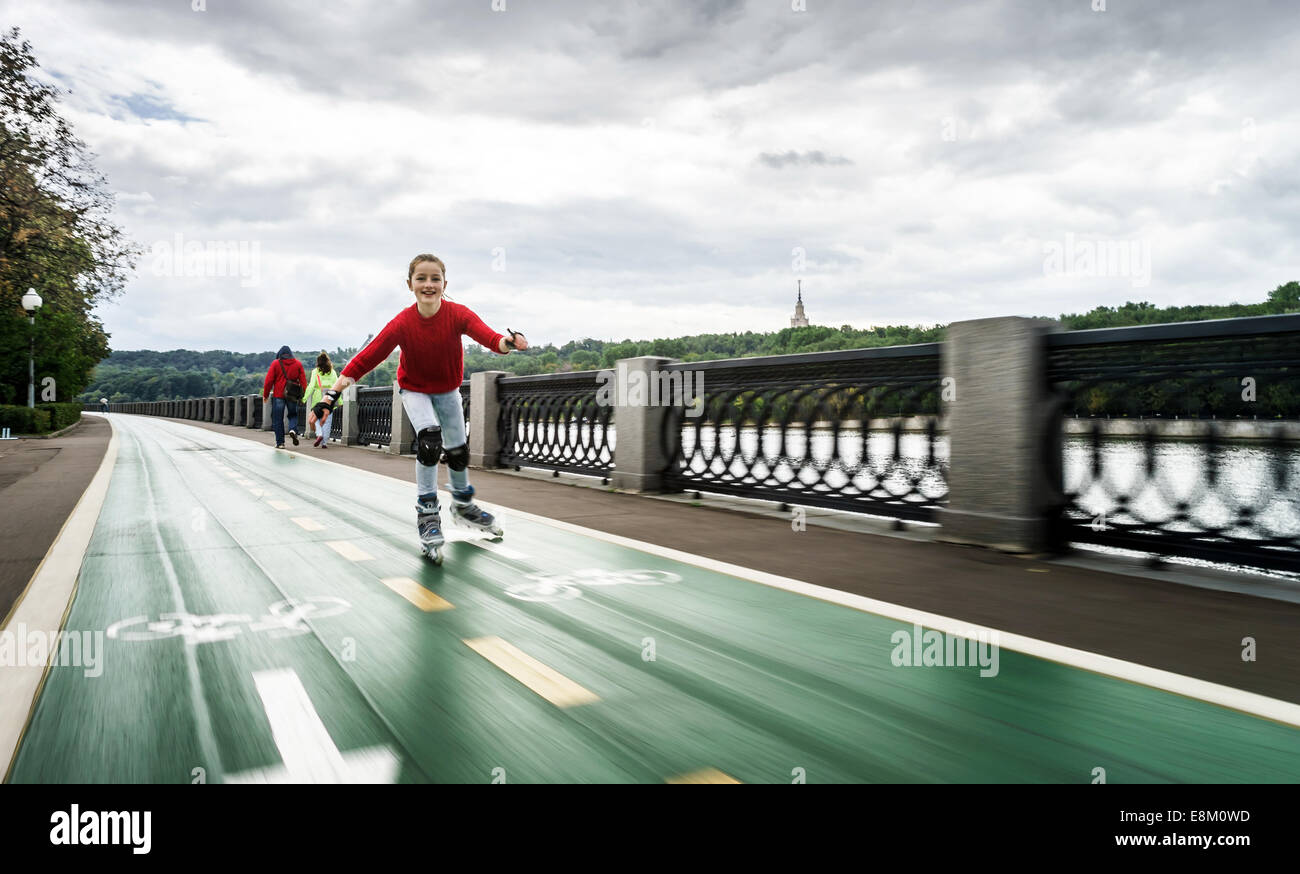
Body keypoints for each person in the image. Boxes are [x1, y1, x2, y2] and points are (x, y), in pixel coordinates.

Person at [308, 253, 527, 564]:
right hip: (414, 389)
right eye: (421, 279)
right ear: (409, 284)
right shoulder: (402, 323)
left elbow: (489, 337)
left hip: (447, 389)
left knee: (458, 450)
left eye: (435, 279)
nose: (428, 284)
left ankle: (463, 505)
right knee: (428, 440)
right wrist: (330, 397)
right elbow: (366, 359)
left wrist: (508, 342)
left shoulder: (457, 314)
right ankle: (427, 513)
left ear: (444, 284)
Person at [262, 345, 307, 449]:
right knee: (293, 414)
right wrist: (302, 395)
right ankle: (293, 429)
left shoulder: (276, 363)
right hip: (292, 395)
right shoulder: (298, 364)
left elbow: (268, 381)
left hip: (278, 395)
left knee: (278, 419)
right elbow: (303, 382)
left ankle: (280, 443)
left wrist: (265, 395)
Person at [303, 351, 342, 448]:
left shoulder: (315, 371)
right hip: (330, 398)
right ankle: (324, 442)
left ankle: (319, 433)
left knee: (315, 418)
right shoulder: (332, 372)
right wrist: (340, 401)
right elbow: (337, 386)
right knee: (327, 420)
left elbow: (311, 386)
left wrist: (304, 398)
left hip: (318, 398)